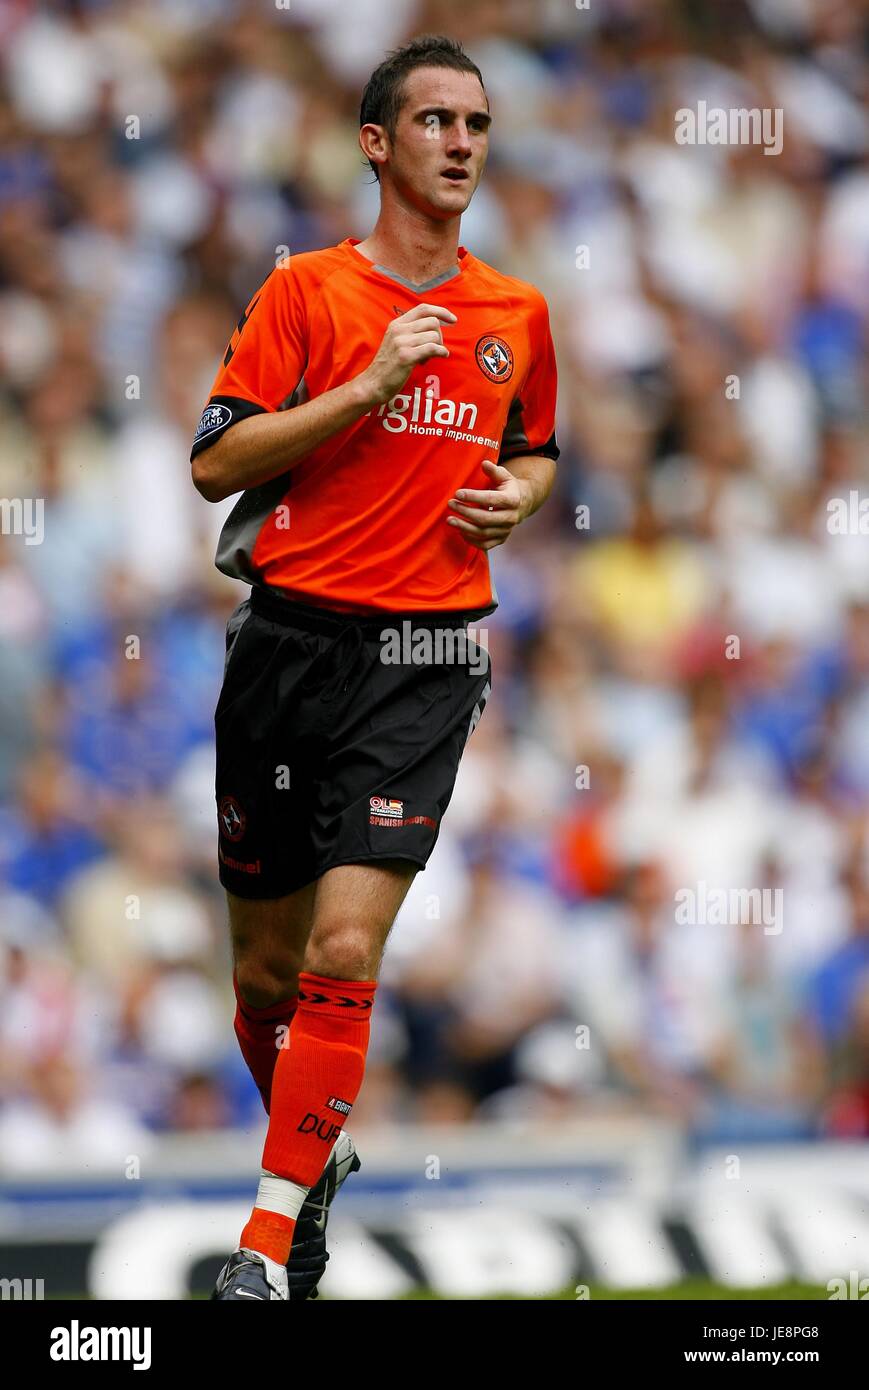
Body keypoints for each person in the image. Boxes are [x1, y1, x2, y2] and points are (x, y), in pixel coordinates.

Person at [190, 34, 559, 1302]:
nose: (460, 142)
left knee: (346, 954)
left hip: (424, 656)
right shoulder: (307, 295)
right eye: (435, 121)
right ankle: (316, 1148)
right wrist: (365, 388)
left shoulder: (517, 313)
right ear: (374, 144)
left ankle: (265, 1231)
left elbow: (539, 445)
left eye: (477, 123)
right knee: (265, 976)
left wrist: (521, 492)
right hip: (289, 643)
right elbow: (216, 465)